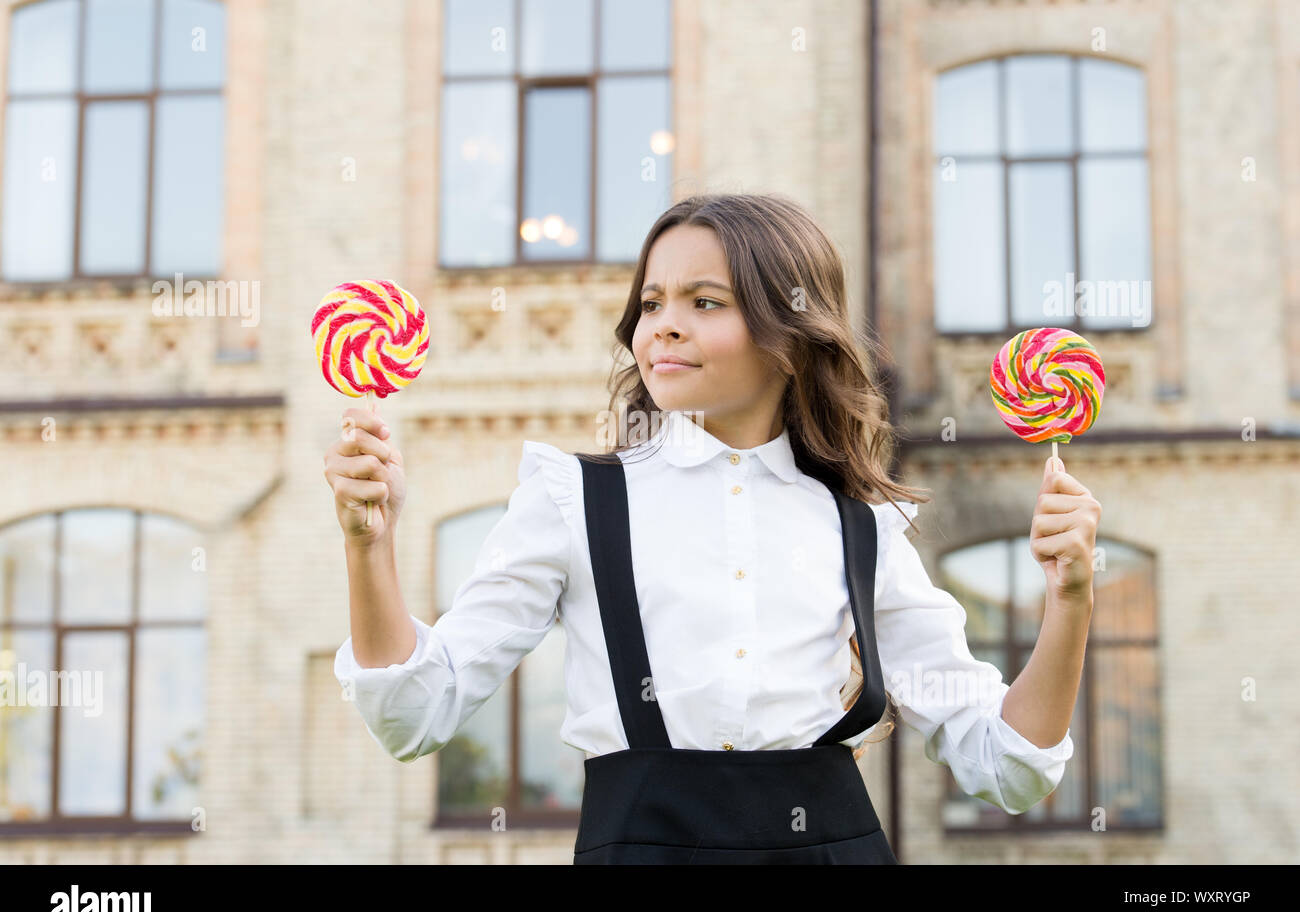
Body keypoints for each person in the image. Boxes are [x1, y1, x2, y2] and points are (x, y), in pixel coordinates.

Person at [323, 192, 1100, 864]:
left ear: (791, 336)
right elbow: (416, 714)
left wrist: (1070, 599)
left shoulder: (860, 524)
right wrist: (371, 545)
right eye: (651, 303)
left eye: (704, 302)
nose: (664, 326)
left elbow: (1009, 765)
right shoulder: (573, 501)